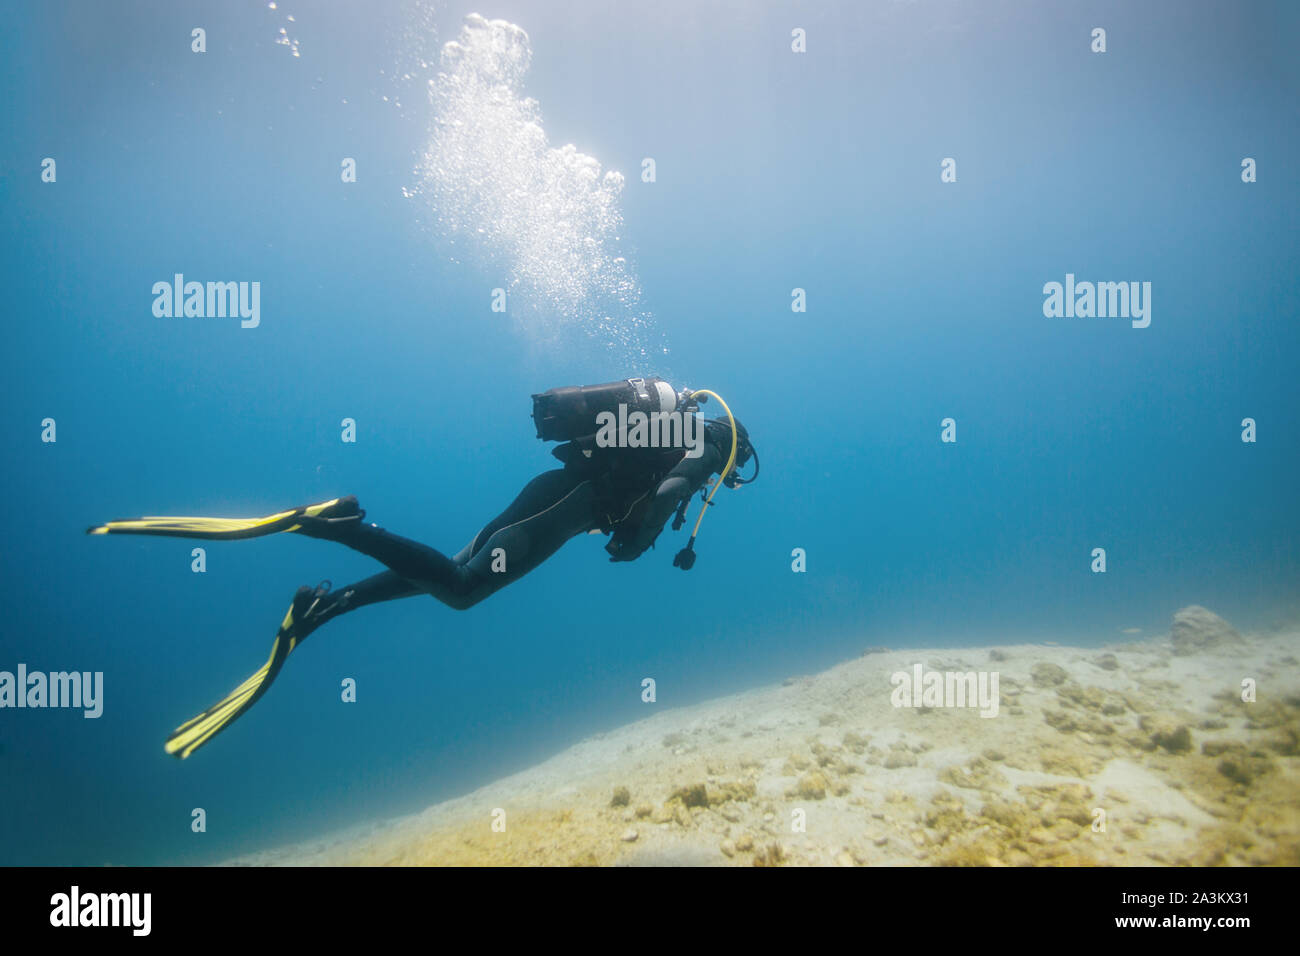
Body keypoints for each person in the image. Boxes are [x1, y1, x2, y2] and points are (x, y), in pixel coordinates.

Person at [87, 379, 758, 758]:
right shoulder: (704, 448)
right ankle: (346, 530)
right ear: (733, 452)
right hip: (558, 511)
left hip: (549, 501)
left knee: (455, 569)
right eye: (730, 478)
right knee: (462, 590)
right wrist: (640, 540)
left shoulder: (675, 431)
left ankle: (328, 605)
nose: (720, 487)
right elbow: (668, 496)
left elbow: (643, 487)